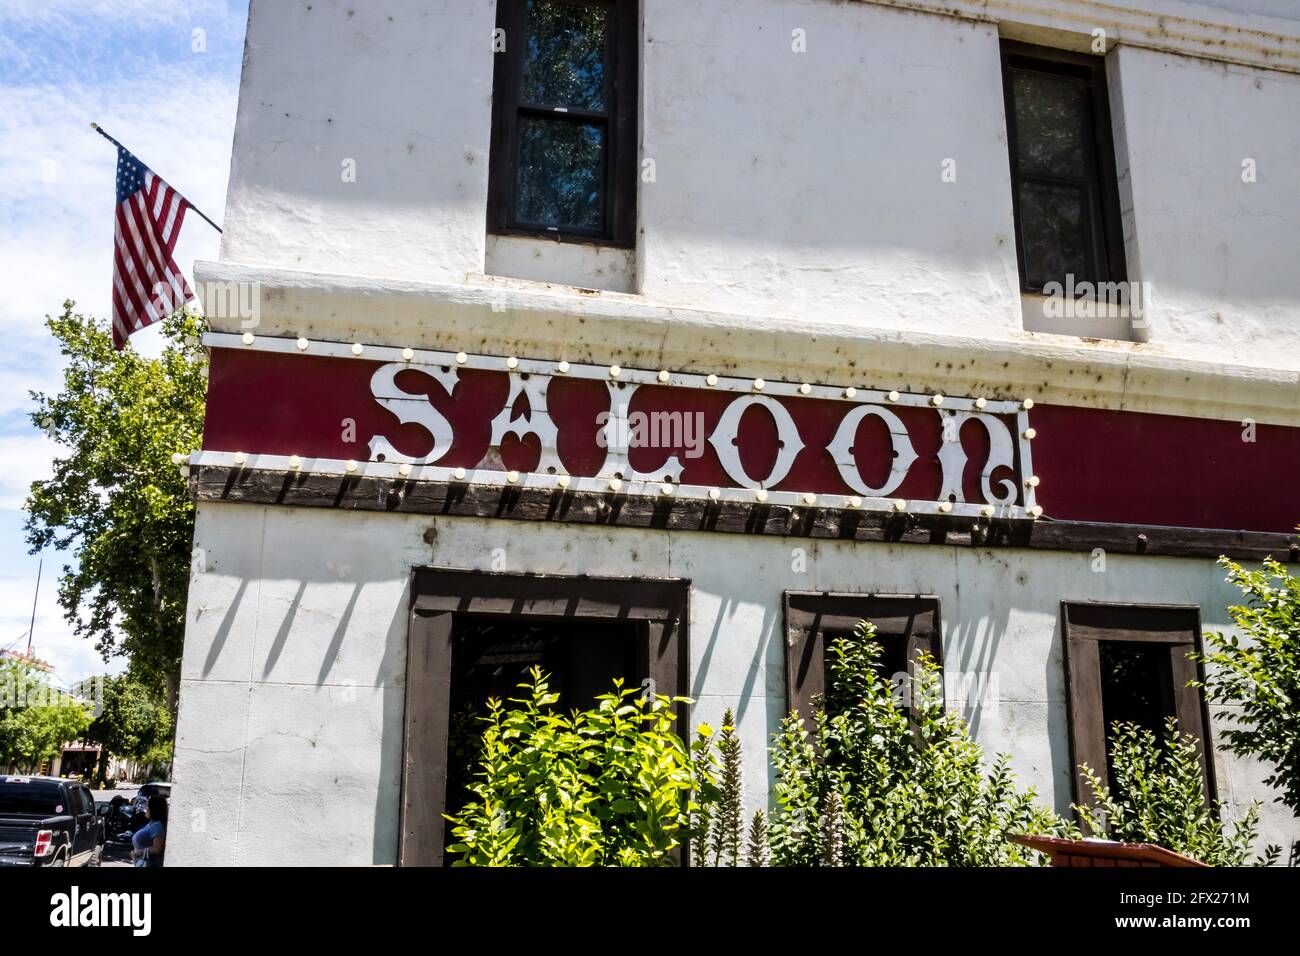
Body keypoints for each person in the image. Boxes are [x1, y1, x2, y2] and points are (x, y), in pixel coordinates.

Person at [130, 794, 167, 867]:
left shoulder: (157, 825)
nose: (145, 808)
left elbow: (157, 848)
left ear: (153, 809)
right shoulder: (152, 824)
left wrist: (138, 852)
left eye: (147, 806)